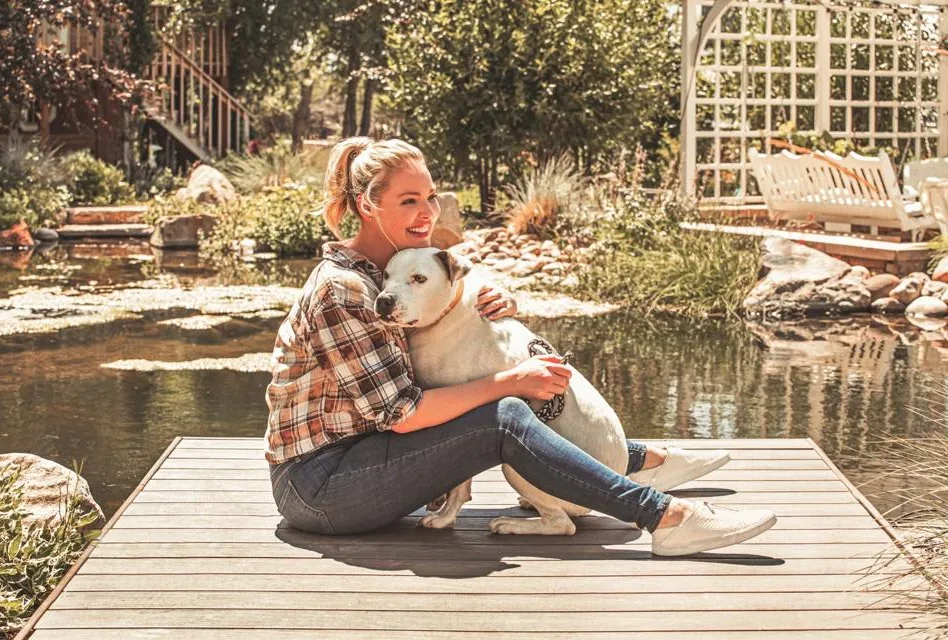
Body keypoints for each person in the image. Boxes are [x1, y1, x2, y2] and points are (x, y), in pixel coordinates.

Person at [264, 137, 776, 556]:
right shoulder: (345, 289)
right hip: (321, 487)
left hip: (365, 454)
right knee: (504, 414)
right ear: (366, 205)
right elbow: (402, 412)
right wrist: (512, 381)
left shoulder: (388, 272)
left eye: (430, 197)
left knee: (508, 401)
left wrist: (486, 300)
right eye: (408, 201)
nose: (427, 213)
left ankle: (634, 457)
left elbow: (444, 336)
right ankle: (666, 516)